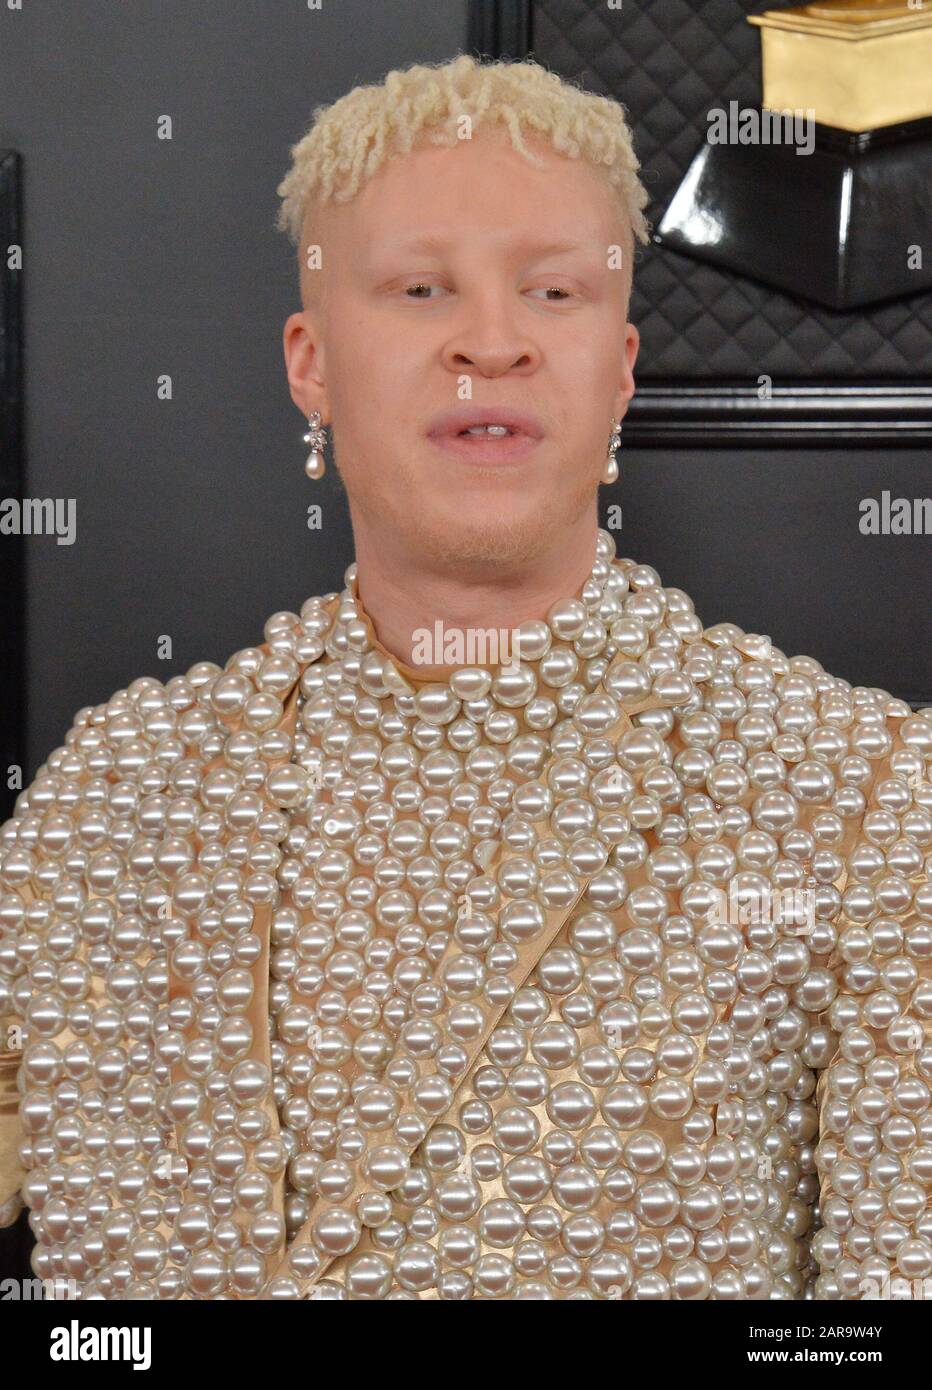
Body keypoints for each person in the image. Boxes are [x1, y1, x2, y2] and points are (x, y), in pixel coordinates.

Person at [1, 53, 929, 1301]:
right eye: (421, 287)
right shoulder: (114, 798)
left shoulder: (858, 797)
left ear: (619, 368)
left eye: (552, 290)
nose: (489, 342)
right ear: (310, 364)